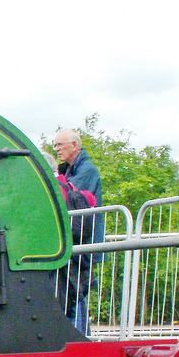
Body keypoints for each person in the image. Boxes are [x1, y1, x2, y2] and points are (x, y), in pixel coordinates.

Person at [53, 129, 103, 334]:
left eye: (60, 144)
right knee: (75, 292)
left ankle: (81, 336)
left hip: (84, 241)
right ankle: (82, 335)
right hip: (77, 241)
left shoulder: (87, 170)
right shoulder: (69, 169)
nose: (56, 149)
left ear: (74, 145)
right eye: (55, 145)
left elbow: (69, 195)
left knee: (76, 290)